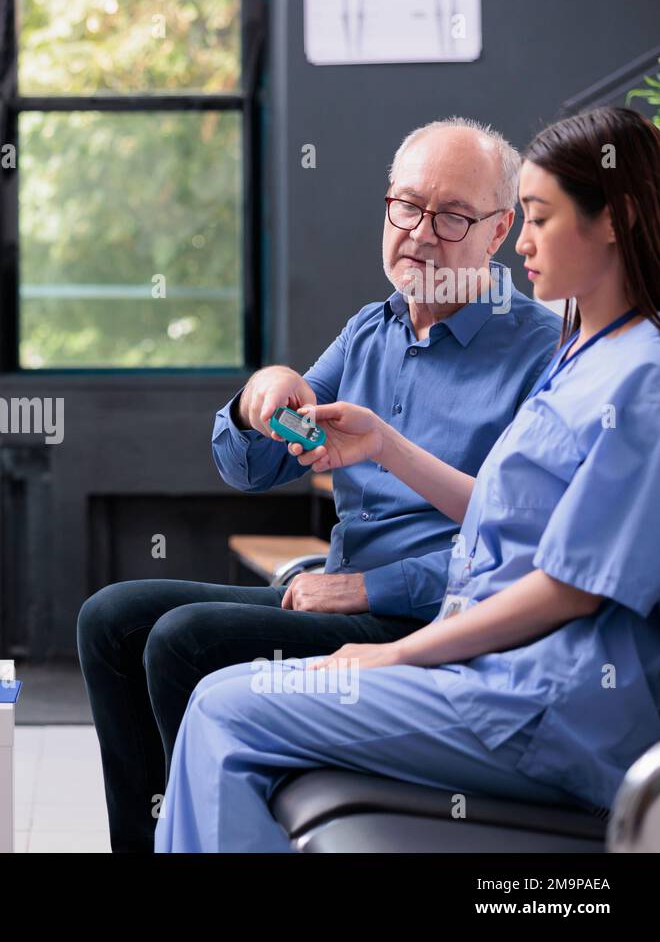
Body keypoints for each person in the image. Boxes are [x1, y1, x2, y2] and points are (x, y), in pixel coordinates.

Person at [156, 106, 660, 852]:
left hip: (537, 701)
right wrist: (380, 442)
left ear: (613, 220)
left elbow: (571, 585)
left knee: (224, 707)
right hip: (481, 665)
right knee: (188, 673)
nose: (521, 244)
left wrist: (394, 652)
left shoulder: (640, 378)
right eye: (408, 207)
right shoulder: (578, 354)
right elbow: (495, 509)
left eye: (538, 219)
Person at [78, 116, 563, 851]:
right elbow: (254, 467)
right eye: (406, 205)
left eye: (453, 216)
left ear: (498, 234)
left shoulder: (542, 354)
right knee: (112, 617)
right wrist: (258, 397)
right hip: (333, 594)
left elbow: (524, 547)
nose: (422, 233)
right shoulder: (372, 330)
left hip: (436, 620)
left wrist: (377, 588)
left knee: (182, 640)